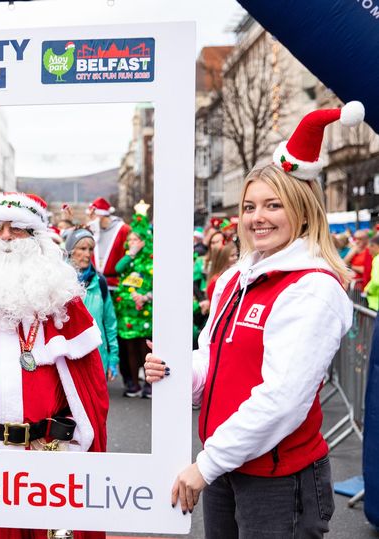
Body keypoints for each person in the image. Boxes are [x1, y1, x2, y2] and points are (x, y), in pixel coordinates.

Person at [144, 102, 363, 537]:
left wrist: (205, 465)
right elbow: (213, 357)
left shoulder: (311, 288)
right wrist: (174, 371)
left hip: (278, 481)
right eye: (249, 206)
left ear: (302, 211)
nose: (257, 217)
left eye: (273, 205)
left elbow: (282, 399)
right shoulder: (236, 277)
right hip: (226, 463)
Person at [0, 191, 108, 539]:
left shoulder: (63, 304)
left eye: (17, 228)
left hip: (48, 458)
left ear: (37, 238)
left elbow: (91, 388)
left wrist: (74, 447)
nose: (5, 237)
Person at [65, 227, 120, 379]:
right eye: (82, 248)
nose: (87, 254)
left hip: (97, 359)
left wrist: (113, 359)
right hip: (68, 360)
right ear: (70, 251)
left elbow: (110, 323)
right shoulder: (58, 280)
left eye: (90, 249)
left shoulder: (100, 282)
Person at [114, 201, 154, 398]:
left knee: (144, 349)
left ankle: (149, 384)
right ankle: (133, 383)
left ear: (145, 241)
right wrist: (131, 254)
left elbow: (160, 286)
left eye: (136, 240)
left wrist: (147, 296)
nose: (132, 243)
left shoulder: (152, 261)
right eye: (130, 240)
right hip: (127, 314)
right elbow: (118, 269)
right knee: (129, 349)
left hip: (145, 313)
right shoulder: (128, 260)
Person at [86, 197, 131, 288]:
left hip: (116, 285)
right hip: (95, 284)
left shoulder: (123, 230)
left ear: (101, 215)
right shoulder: (93, 230)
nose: (90, 219)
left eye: (93, 215)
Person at [364, 235, 379, 310]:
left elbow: (376, 281)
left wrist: (369, 291)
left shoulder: (377, 259)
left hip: (376, 302)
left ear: (375, 246)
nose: (369, 253)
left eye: (370, 248)